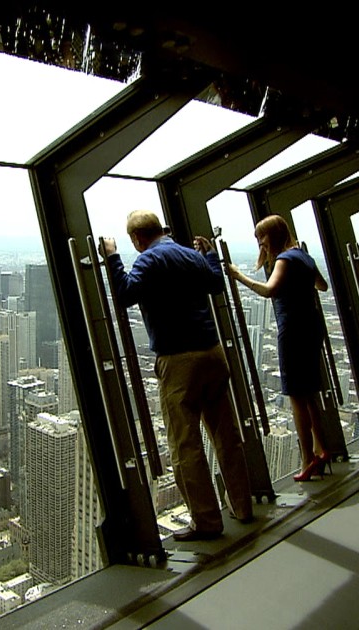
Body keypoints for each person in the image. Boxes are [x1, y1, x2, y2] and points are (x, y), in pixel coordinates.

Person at [100, 210, 253, 542]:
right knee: (226, 434)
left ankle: (207, 521)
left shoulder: (149, 259)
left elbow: (125, 294)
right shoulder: (188, 253)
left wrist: (112, 258)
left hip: (179, 361)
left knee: (186, 445)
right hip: (213, 353)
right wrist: (210, 254)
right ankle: (242, 505)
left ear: (137, 239)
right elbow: (216, 283)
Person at [227, 215, 331, 482]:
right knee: (311, 395)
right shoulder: (302, 256)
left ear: (272, 235)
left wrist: (238, 276)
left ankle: (308, 459)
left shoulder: (285, 260)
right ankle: (322, 449)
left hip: (294, 330)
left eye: (262, 237)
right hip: (312, 326)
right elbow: (322, 285)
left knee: (297, 397)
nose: (260, 242)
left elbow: (269, 291)